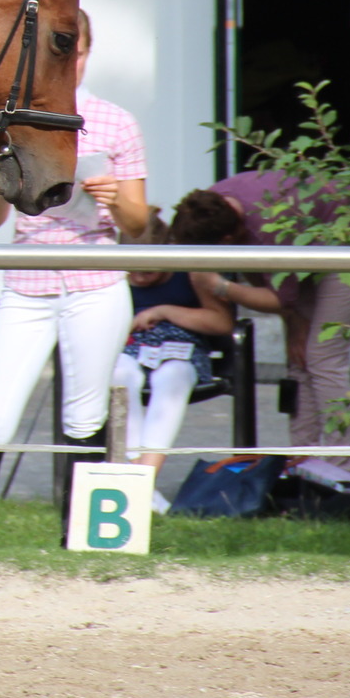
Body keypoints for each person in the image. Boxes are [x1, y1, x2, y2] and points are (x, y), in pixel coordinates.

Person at [0, 9, 148, 552]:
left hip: (95, 281)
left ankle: (80, 541)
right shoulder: (18, 120)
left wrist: (113, 198)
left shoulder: (116, 122)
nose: (70, 63)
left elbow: (137, 224)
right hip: (27, 283)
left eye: (77, 53)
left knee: (85, 417)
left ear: (87, 54)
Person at [173, 175, 350, 471]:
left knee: (323, 357)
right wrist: (293, 322)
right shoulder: (209, 207)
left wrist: (220, 286)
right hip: (307, 242)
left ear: (227, 240)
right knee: (299, 359)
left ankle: (343, 469)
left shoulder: (269, 226)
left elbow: (280, 298)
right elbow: (267, 280)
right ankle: (304, 460)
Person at [110, 212, 234, 513]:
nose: (140, 278)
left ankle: (142, 478)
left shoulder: (189, 272)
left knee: (172, 377)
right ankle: (140, 485)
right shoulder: (111, 274)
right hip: (129, 347)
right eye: (133, 270)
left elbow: (221, 322)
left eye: (150, 271)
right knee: (120, 376)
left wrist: (164, 311)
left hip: (183, 349)